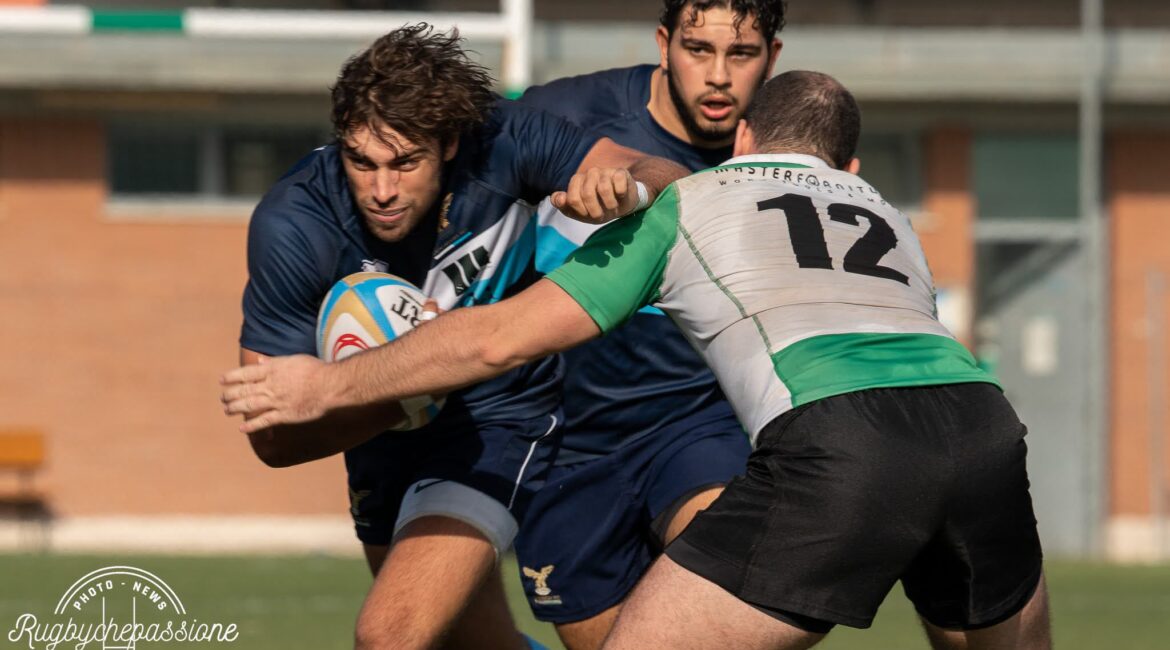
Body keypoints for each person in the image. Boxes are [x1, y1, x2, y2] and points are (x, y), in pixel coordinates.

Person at [224, 70, 1052, 650]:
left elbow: (496, 338)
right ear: (849, 166)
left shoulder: (692, 199)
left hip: (841, 446)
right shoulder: (884, 211)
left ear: (746, 138)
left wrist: (326, 382)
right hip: (982, 424)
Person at [235, 24, 686, 650]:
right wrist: (405, 391)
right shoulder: (294, 222)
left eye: (405, 163)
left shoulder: (504, 138)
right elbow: (275, 441)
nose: (382, 190)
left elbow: (659, 172)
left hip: (499, 417)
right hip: (377, 437)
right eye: (361, 162)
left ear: (449, 143)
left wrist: (628, 186)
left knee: (390, 636)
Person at [511, 1, 782, 647]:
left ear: (772, 55)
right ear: (664, 43)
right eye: (698, 49)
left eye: (741, 54)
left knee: (728, 586)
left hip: (698, 425)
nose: (718, 75)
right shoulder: (566, 116)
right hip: (563, 444)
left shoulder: (779, 150)